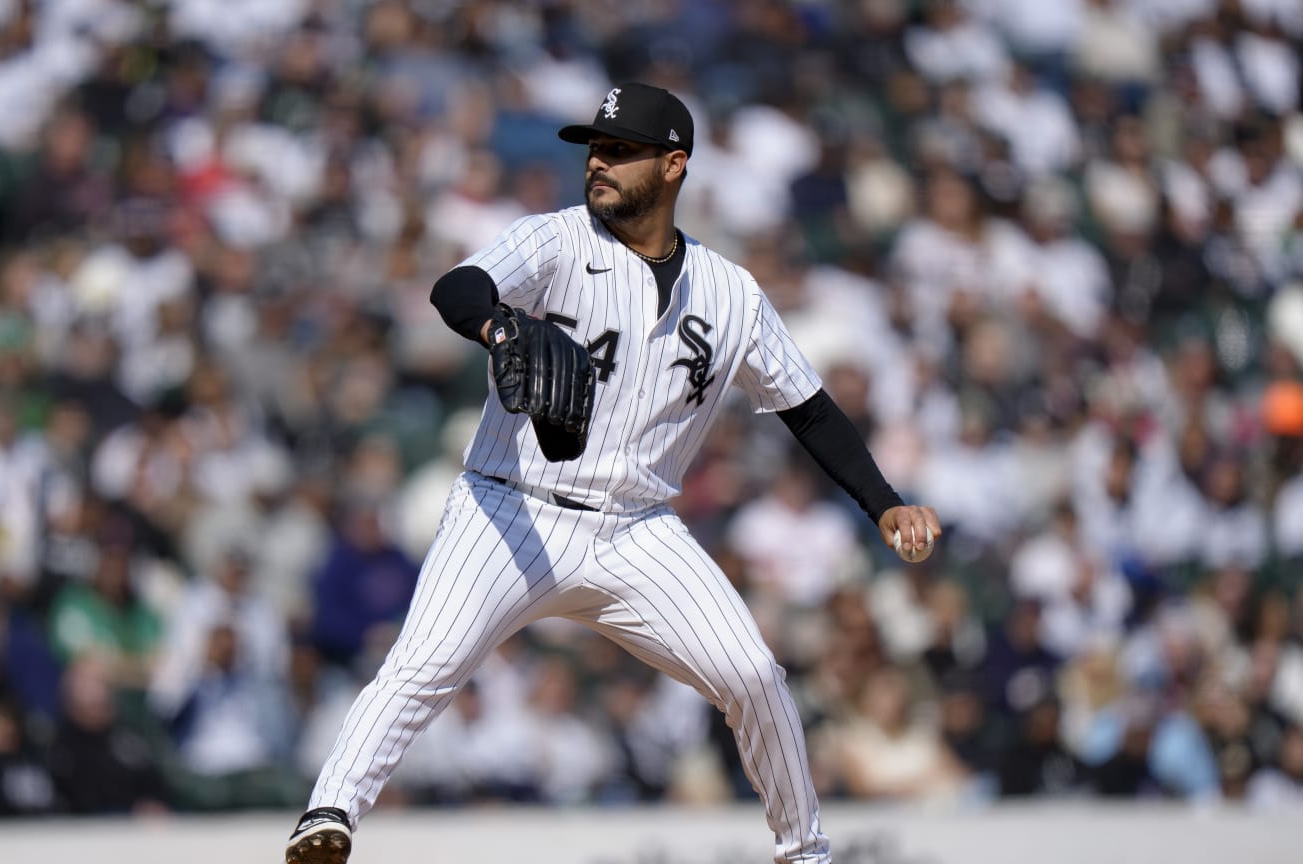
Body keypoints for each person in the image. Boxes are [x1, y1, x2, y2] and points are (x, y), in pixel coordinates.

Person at [285, 83, 942, 864]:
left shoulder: (731, 292)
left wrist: (884, 504)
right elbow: (456, 286)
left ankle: (805, 853)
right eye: (595, 146)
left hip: (637, 529)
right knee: (419, 669)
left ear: (673, 165)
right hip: (509, 510)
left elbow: (810, 410)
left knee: (755, 674)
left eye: (621, 150)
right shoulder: (558, 241)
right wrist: (499, 327)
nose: (598, 161)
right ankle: (328, 816)